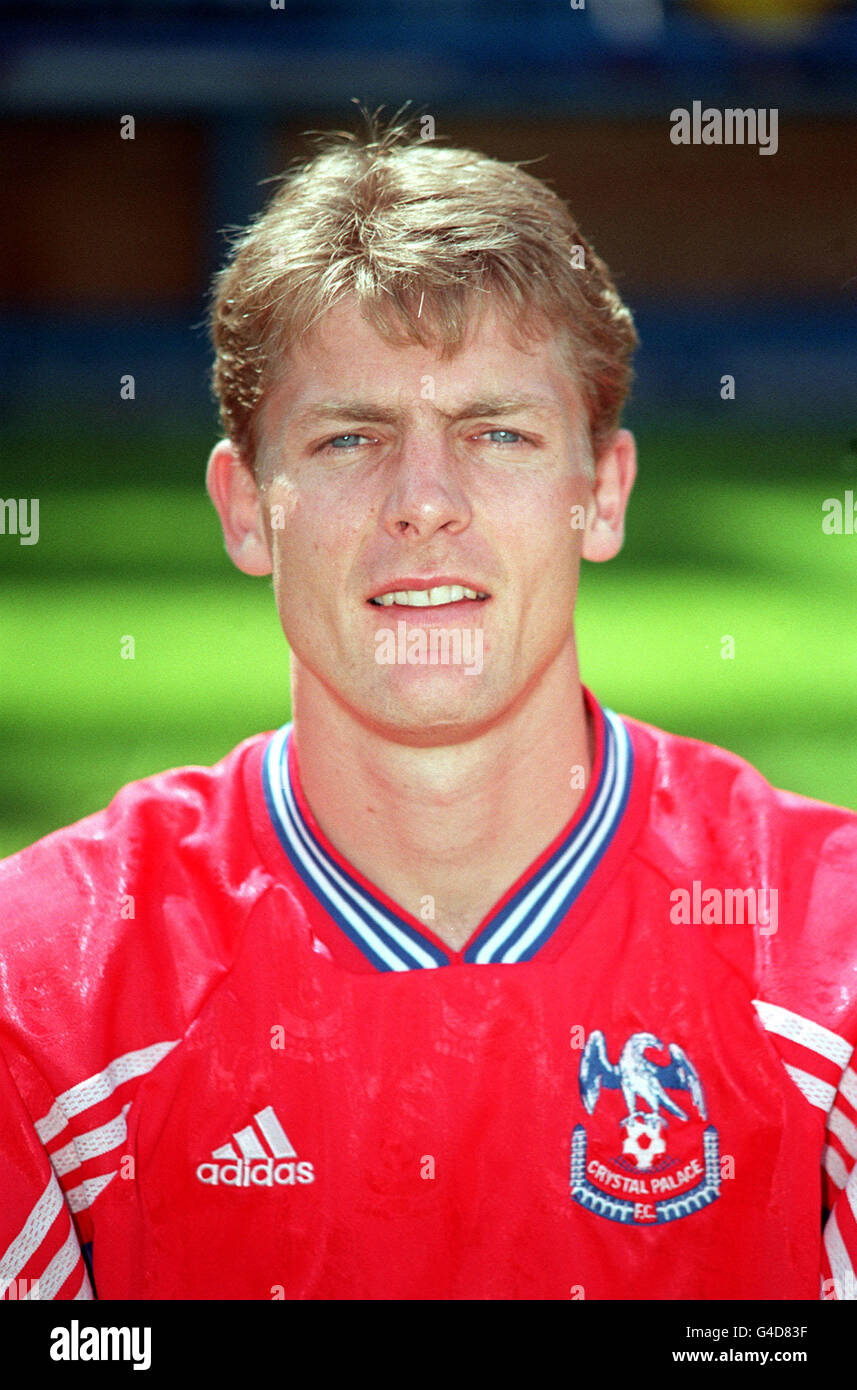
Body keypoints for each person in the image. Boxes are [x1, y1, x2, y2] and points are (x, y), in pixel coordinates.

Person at [1, 117, 855, 1302]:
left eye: (494, 433)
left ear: (599, 496)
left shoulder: (825, 966)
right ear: (246, 508)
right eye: (351, 437)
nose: (423, 503)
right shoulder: (44, 990)